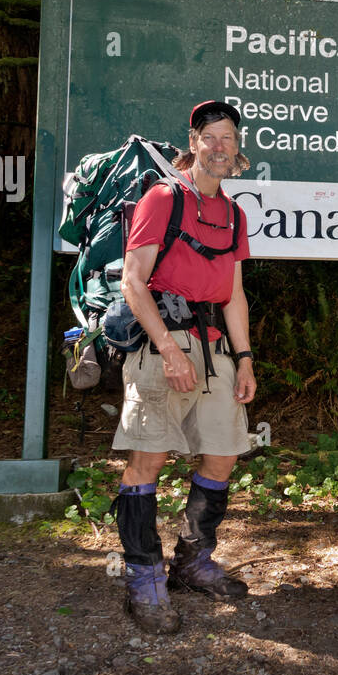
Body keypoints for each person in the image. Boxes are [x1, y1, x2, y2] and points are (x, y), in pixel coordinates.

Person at [109, 100, 257, 634]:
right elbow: (133, 280)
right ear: (192, 143)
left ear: (237, 148)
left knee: (222, 457)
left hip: (216, 349)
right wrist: (168, 351)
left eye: (229, 137)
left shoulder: (234, 214)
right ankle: (143, 578)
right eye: (210, 137)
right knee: (147, 461)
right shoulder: (162, 199)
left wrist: (243, 359)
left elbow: (234, 293)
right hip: (159, 347)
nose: (220, 147)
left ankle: (192, 562)